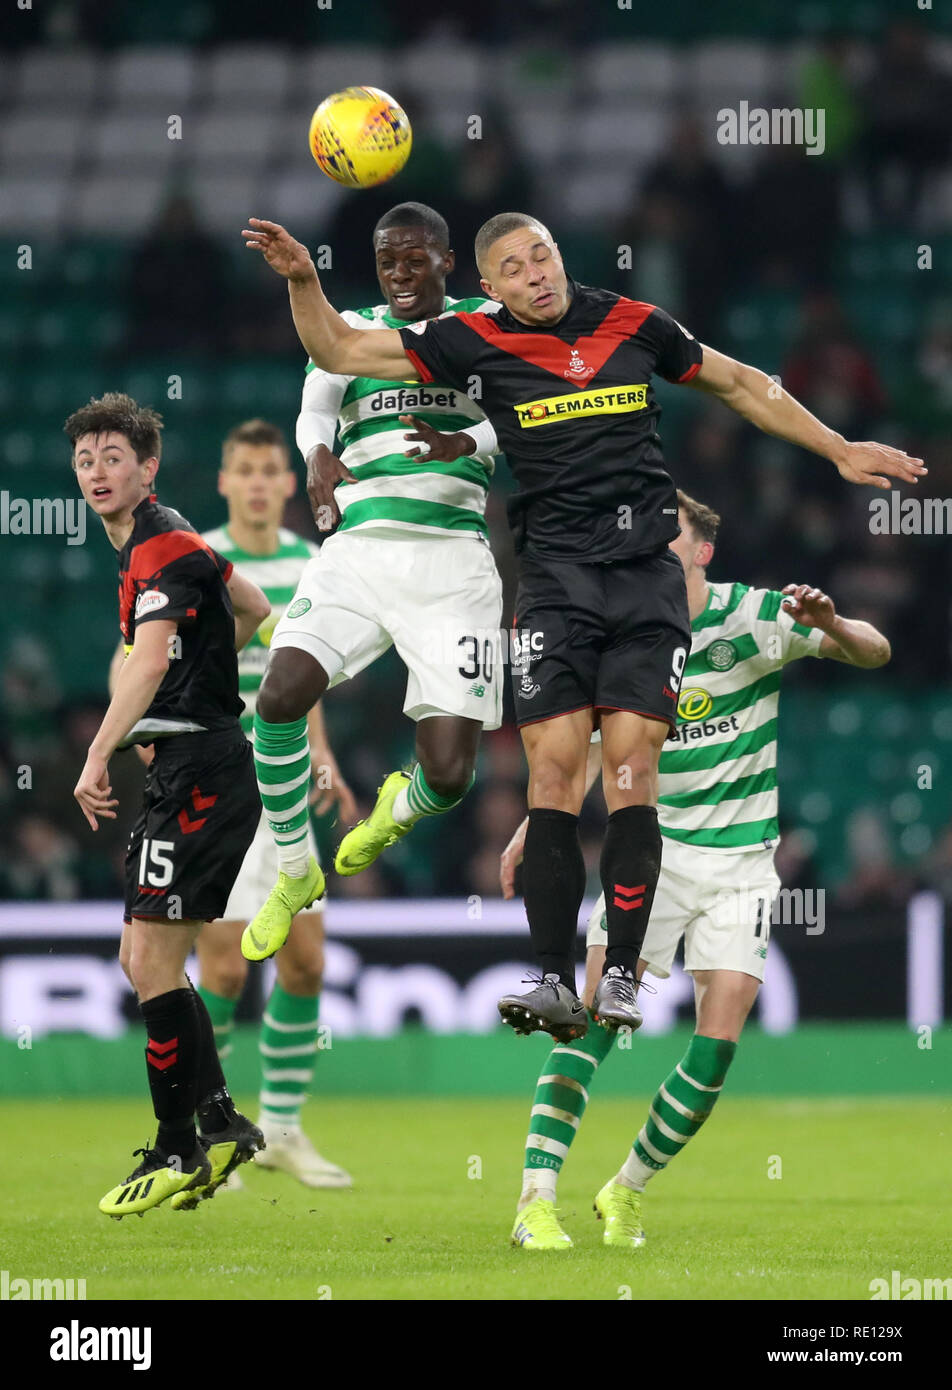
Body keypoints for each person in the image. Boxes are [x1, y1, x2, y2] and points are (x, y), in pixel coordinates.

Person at [241, 210, 925, 1043]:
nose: (537, 272)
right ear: (487, 285)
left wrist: (835, 446)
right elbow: (339, 354)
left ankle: (625, 978)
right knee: (553, 783)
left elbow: (742, 383)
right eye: (516, 266)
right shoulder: (475, 338)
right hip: (555, 587)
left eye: (545, 255)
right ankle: (552, 982)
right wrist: (304, 281)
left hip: (644, 583)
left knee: (632, 774)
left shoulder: (633, 323)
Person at [499, 491, 892, 1249]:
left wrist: (833, 625)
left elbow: (876, 651)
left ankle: (625, 1190)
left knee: (715, 1050)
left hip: (743, 866)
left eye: (664, 536)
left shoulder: (753, 616)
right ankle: (534, 1200)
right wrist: (536, 826)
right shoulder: (625, 627)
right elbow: (586, 751)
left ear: (702, 549)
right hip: (649, 858)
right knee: (590, 1024)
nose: (646, 546)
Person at [237, 203, 504, 963]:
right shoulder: (351, 327)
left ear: (447, 261)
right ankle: (295, 871)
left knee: (450, 775)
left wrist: (469, 437)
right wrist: (319, 452)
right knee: (279, 695)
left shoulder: (486, 325)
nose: (400, 272)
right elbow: (317, 401)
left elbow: (525, 411)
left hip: (454, 563)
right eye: (388, 260)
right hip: (358, 550)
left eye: (415, 259)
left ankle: (400, 804)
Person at [68, 392, 270, 1218]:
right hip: (195, 763)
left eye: (113, 457)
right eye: (84, 461)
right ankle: (218, 1119)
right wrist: (197, 693)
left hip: (200, 774)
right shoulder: (173, 538)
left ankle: (176, 1146)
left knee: (150, 962)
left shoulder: (160, 546)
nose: (96, 473)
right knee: (142, 958)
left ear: (146, 466)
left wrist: (100, 748)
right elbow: (252, 607)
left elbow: (147, 662)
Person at [199, 419, 356, 1186]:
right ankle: (216, 1130)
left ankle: (286, 1129)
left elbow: (303, 675)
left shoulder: (312, 562)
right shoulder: (197, 559)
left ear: (290, 483)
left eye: (271, 470)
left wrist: (321, 753)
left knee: (307, 961)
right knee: (225, 971)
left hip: (286, 780)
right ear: (225, 481)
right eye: (245, 470)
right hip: (219, 784)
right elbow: (136, 658)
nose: (260, 482)